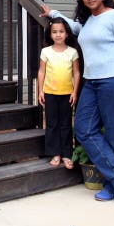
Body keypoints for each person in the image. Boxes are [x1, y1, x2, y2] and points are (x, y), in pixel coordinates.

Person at [41, 0, 114, 203]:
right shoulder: (89, 22)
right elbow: (74, 28)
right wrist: (53, 13)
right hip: (92, 82)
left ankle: (111, 183)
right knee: (84, 129)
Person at [37, 17, 81, 170]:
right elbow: (41, 72)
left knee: (66, 125)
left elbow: (76, 73)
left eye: (61, 31)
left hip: (67, 94)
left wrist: (75, 92)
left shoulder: (72, 52)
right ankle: (54, 153)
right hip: (50, 93)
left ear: (67, 33)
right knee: (52, 124)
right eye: (54, 32)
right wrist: (40, 91)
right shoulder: (45, 52)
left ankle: (67, 154)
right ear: (50, 34)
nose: (58, 35)